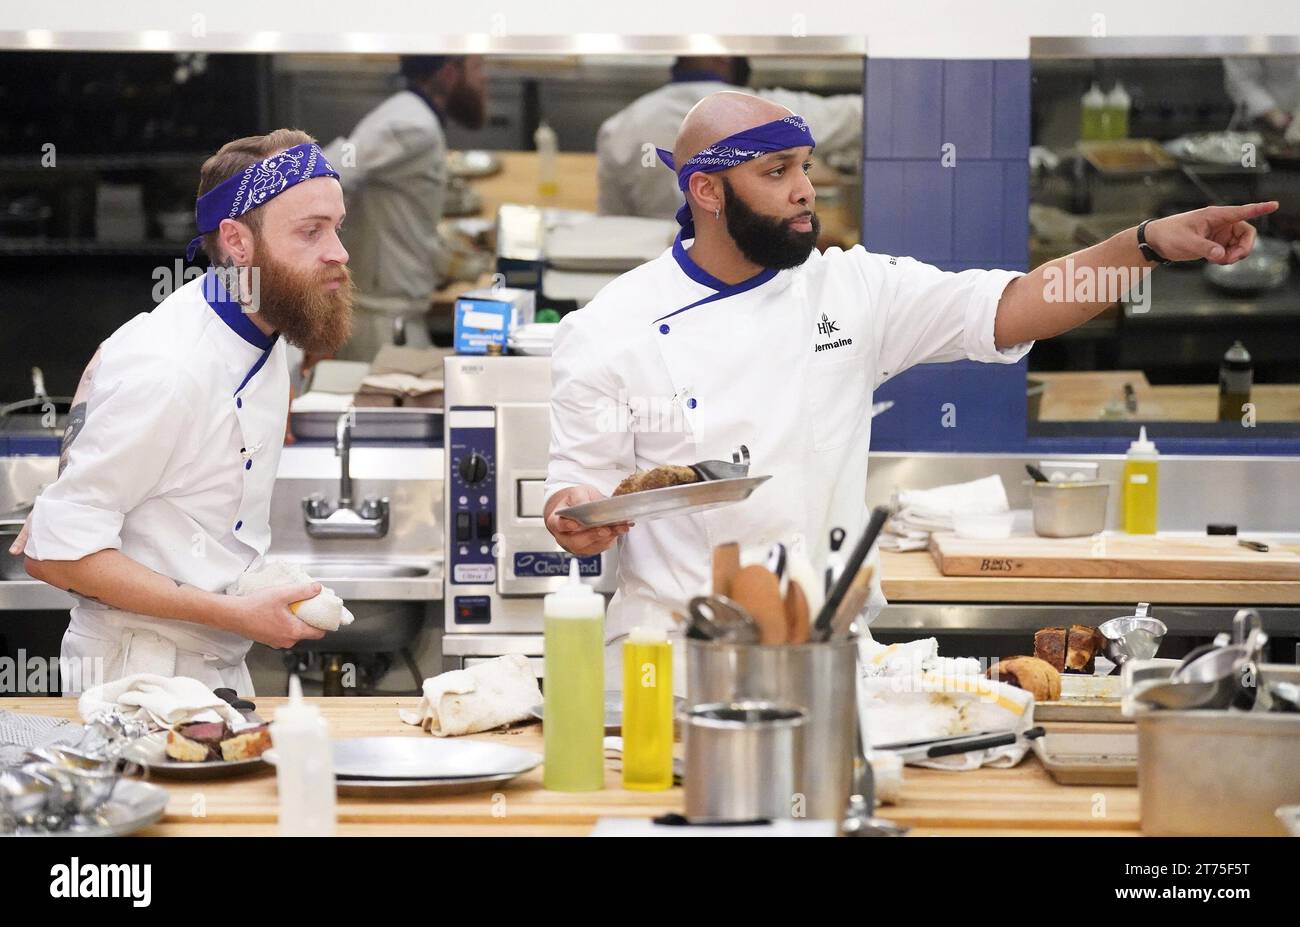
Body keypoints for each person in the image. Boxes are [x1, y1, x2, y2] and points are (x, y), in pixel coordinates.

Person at [544, 91, 1277, 684]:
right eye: (775, 172)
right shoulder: (612, 327)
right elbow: (577, 490)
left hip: (822, 661)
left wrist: (1142, 245)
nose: (805, 189)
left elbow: (1018, 302)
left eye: (803, 165)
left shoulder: (850, 289)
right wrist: (574, 510)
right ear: (706, 189)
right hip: (667, 668)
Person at [12, 129, 356, 693]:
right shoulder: (169, 367)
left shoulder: (263, 331)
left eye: (337, 227)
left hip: (211, 665)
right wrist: (238, 614)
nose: (338, 252)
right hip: (134, 676)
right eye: (310, 231)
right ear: (237, 242)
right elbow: (54, 555)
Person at [325, 55, 487, 362]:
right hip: (382, 327)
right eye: (478, 68)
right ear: (450, 74)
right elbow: (331, 170)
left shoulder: (411, 113)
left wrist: (452, 261)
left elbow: (401, 217)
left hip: (394, 316)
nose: (484, 79)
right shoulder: (413, 125)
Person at [597, 56, 862, 220]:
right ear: (724, 55)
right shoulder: (767, 111)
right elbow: (857, 114)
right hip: (743, 265)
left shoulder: (620, 126)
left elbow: (614, 223)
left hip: (653, 271)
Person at [1223, 56, 1300, 134]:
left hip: (1294, 114)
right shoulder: (1241, 46)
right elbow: (1244, 81)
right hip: (1259, 121)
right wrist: (1275, 115)